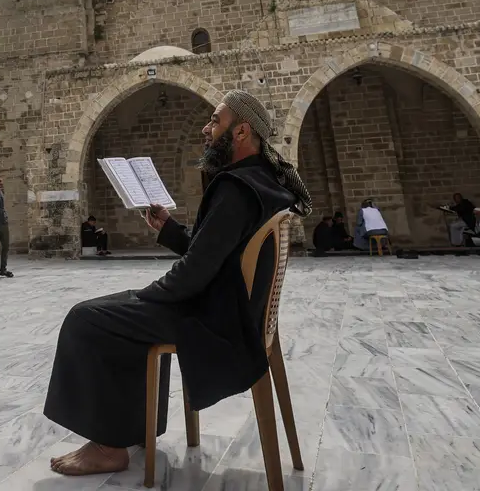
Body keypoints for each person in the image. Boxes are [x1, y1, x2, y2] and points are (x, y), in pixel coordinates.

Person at [44, 90, 312, 477]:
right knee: (116, 314)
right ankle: (130, 430)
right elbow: (216, 254)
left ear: (241, 131)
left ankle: (109, 446)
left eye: (215, 120)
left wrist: (145, 297)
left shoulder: (236, 188)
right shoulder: (261, 180)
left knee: (86, 319)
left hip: (213, 321)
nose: (206, 128)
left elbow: (193, 275)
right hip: (232, 313)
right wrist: (169, 230)